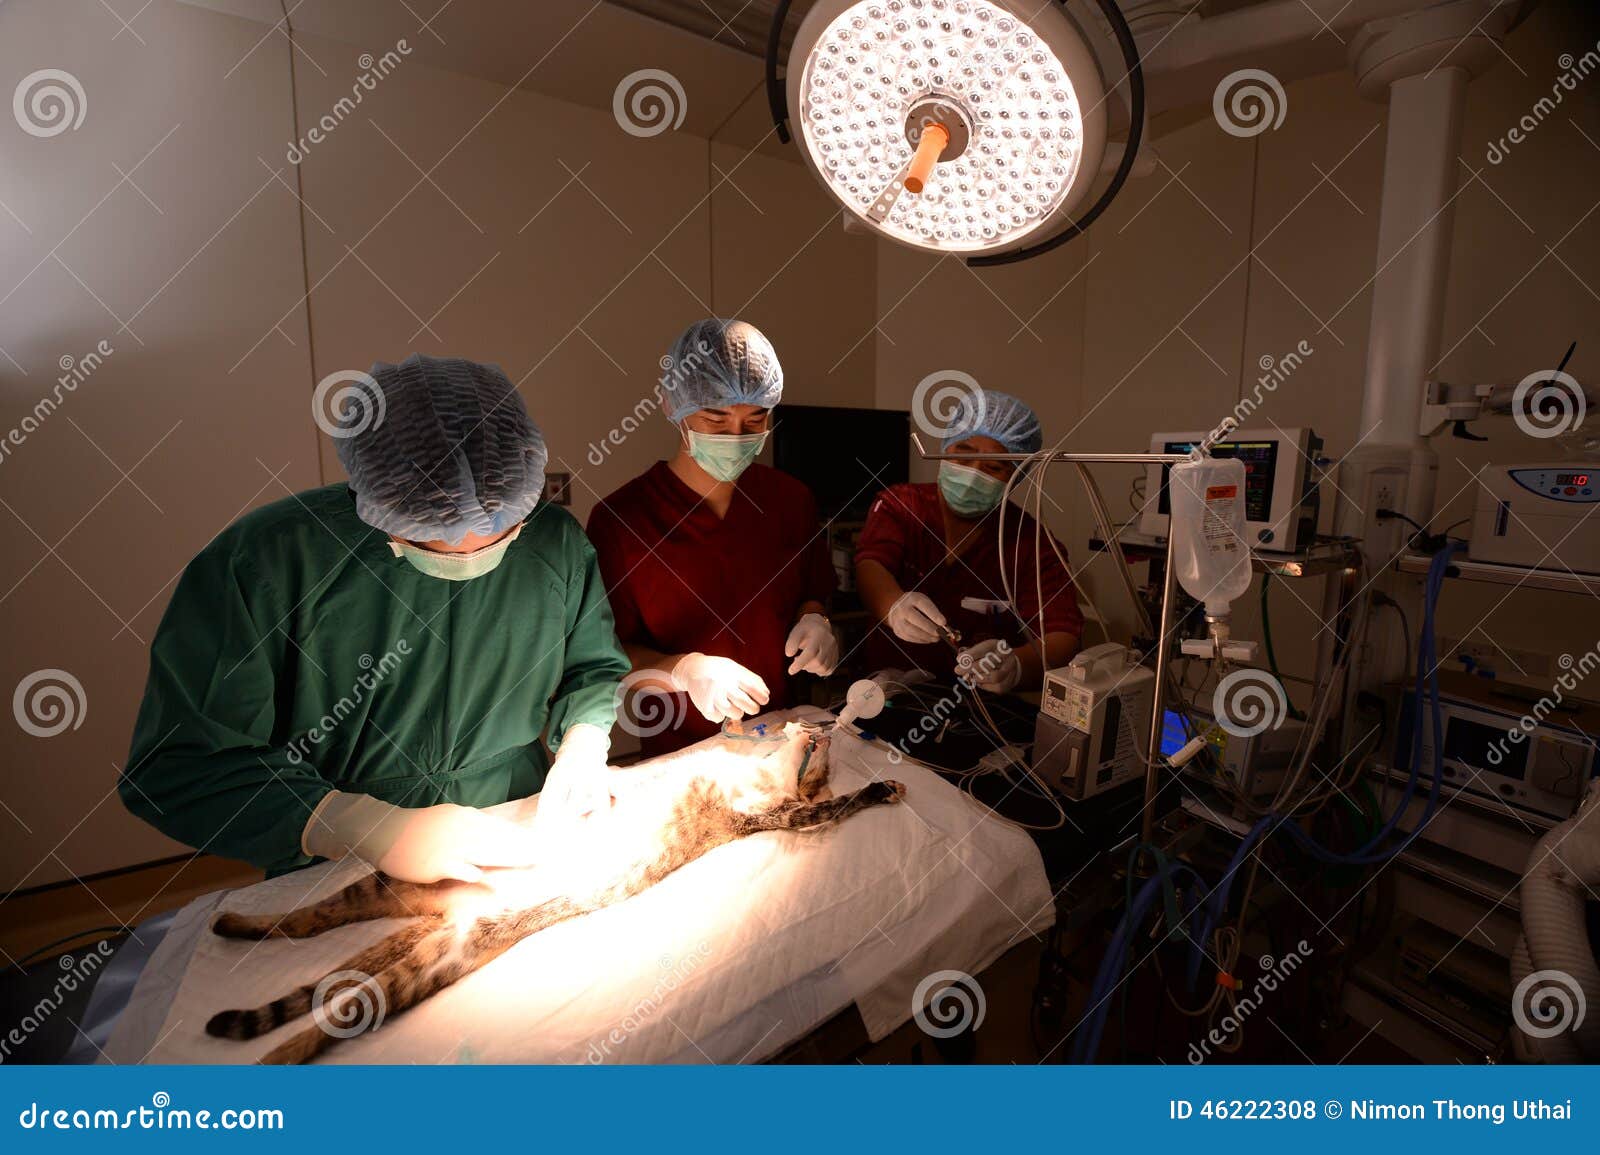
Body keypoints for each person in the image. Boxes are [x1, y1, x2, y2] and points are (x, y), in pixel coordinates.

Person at [120, 354, 630, 882]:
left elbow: (592, 668)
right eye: (431, 542)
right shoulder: (264, 563)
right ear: (377, 504)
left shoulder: (555, 541)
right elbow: (180, 766)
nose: (470, 554)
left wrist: (584, 743)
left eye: (501, 535)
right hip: (341, 860)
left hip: (518, 824)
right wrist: (353, 824)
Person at [586, 319, 839, 756]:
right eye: (715, 420)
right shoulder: (621, 520)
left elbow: (811, 591)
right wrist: (684, 671)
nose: (736, 438)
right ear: (672, 406)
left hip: (782, 736)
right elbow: (612, 655)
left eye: (755, 420)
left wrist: (816, 620)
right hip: (678, 753)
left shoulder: (790, 500)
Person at [855, 389, 1082, 691]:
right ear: (945, 449)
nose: (973, 474)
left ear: (1016, 475)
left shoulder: (1030, 542)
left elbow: (1063, 634)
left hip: (982, 706)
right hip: (887, 690)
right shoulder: (902, 505)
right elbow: (870, 565)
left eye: (993, 467)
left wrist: (1018, 664)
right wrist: (892, 606)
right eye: (964, 454)